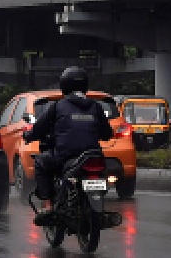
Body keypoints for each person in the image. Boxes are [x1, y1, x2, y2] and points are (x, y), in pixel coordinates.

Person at [23, 66, 113, 224]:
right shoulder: (96, 107)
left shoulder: (58, 106)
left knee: (40, 162)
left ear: (64, 85)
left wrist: (29, 135)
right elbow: (107, 133)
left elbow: (40, 128)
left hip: (65, 155)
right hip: (92, 155)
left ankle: (48, 206)